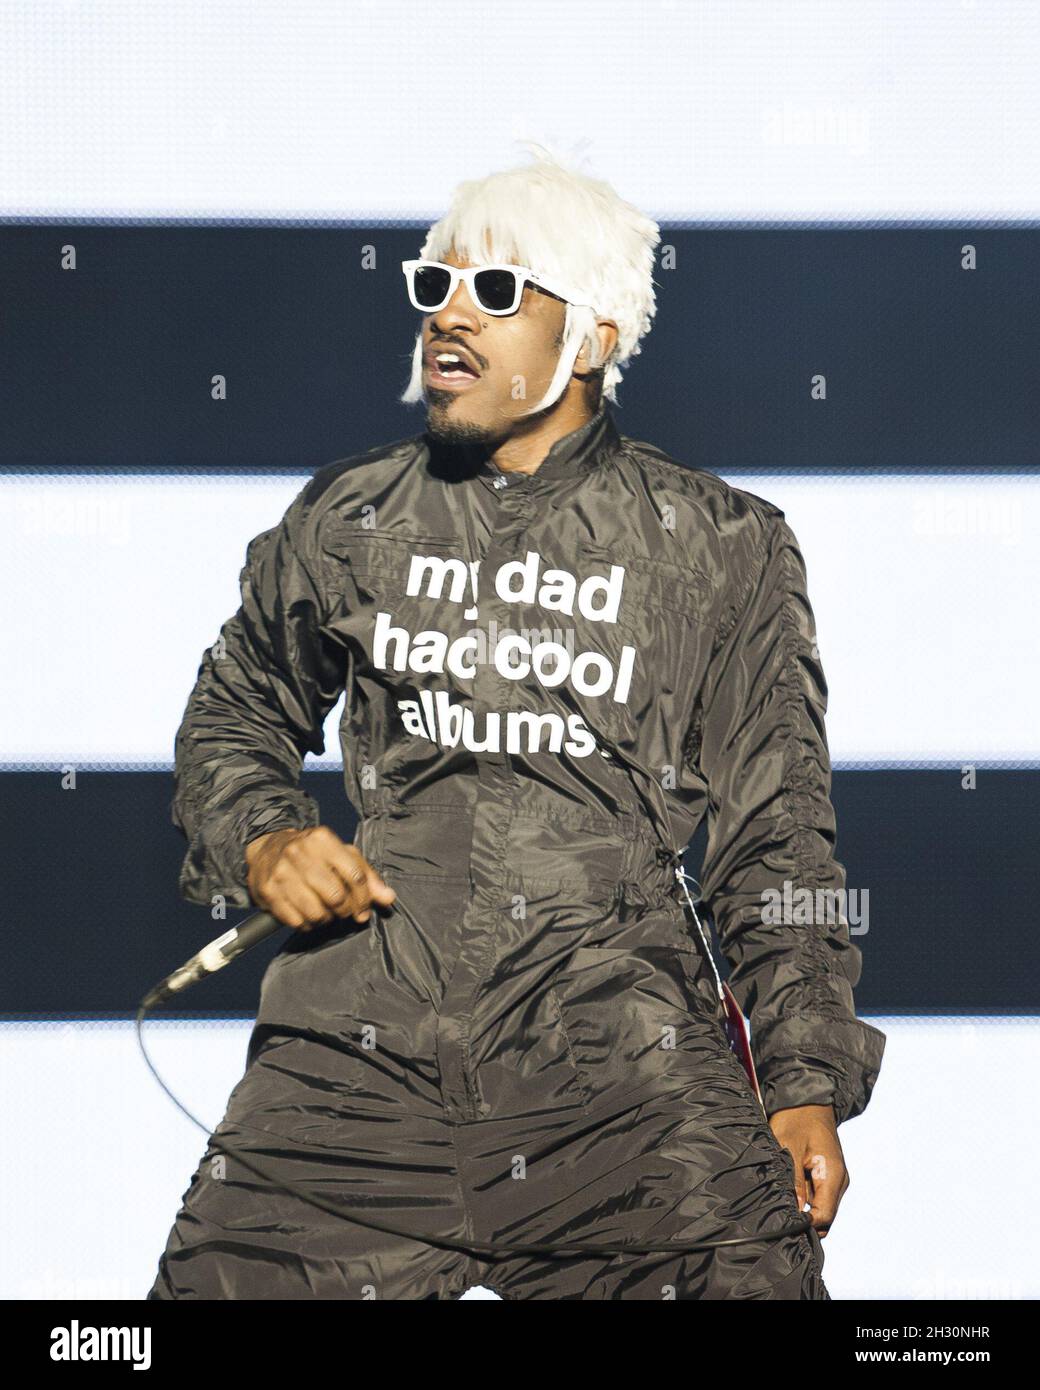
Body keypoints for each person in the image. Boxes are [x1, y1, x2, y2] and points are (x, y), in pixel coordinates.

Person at [147, 143, 885, 1300]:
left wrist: (800, 1078)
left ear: (589, 339)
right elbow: (235, 710)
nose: (449, 313)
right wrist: (264, 839)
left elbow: (776, 837)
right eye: (432, 284)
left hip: (618, 1073)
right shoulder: (348, 517)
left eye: (496, 291)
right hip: (358, 1067)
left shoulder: (722, 545)